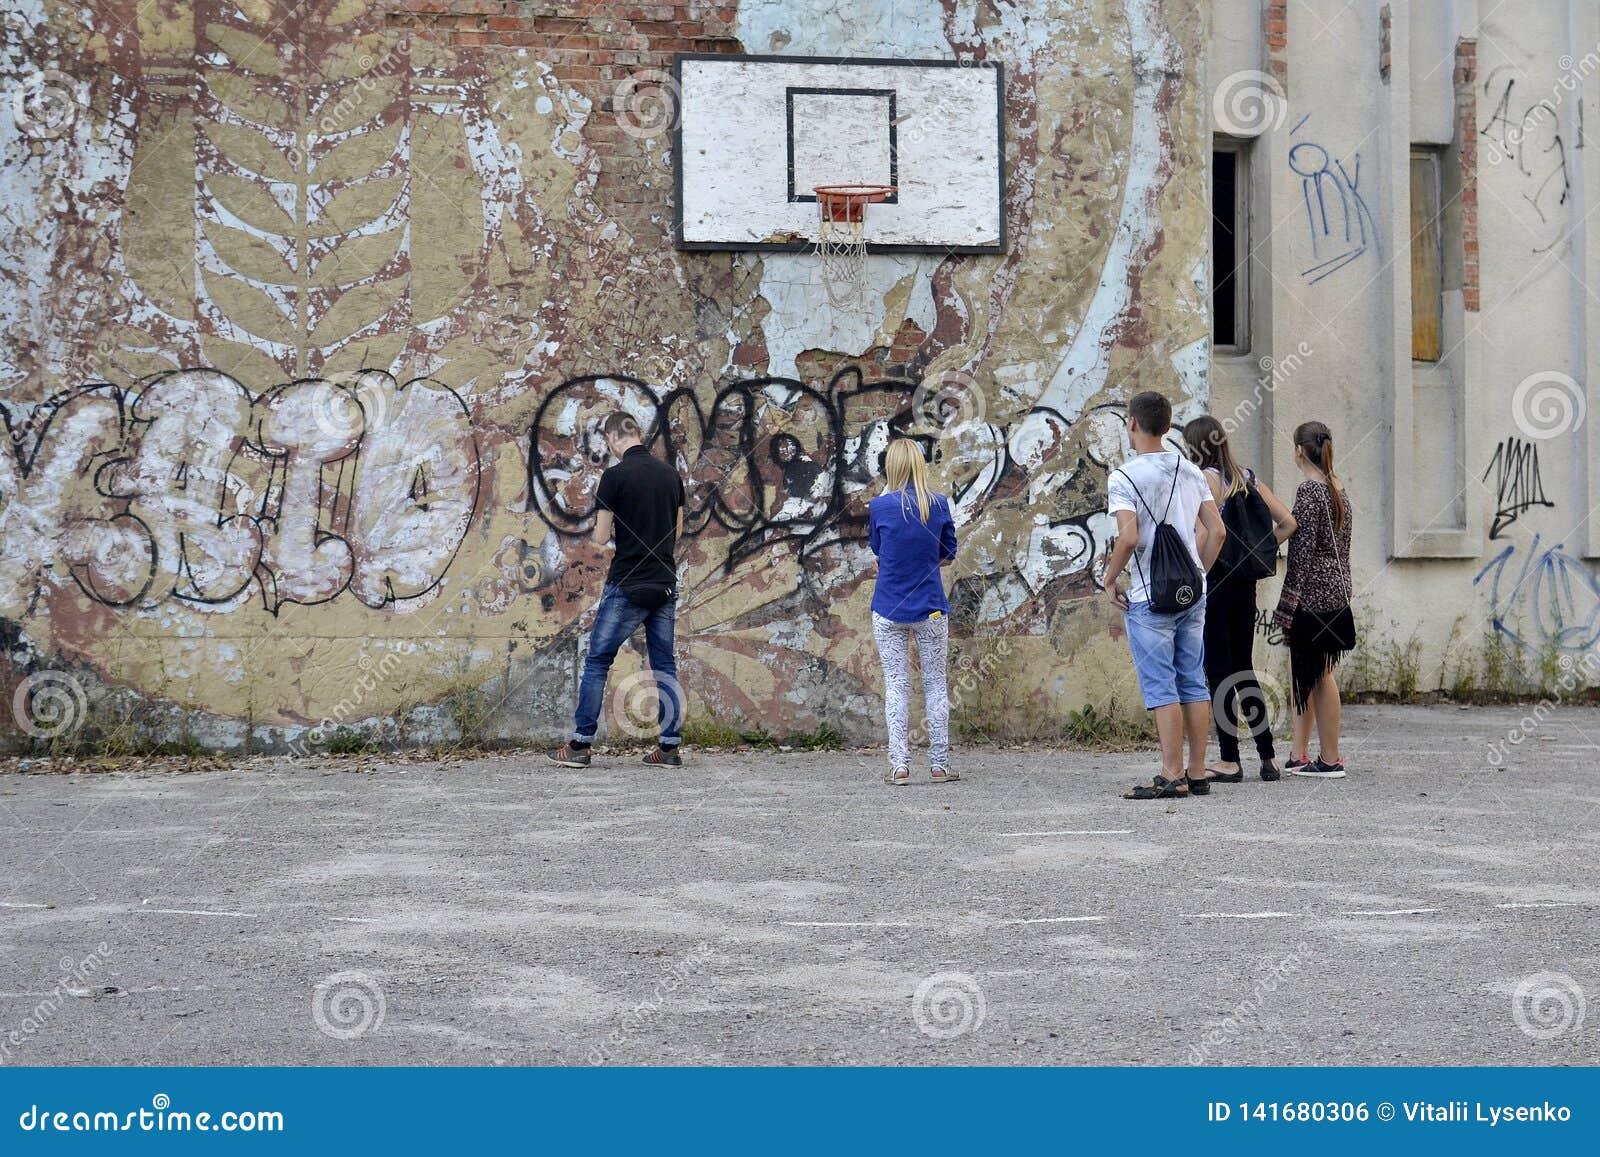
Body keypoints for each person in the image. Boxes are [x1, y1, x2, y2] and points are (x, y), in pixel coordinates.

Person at [1102, 391, 1227, 799]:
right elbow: (1218, 531)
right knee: (1193, 679)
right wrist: (1198, 575)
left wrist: (1109, 579)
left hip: (1148, 594)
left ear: (1132, 424)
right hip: (1194, 593)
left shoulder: (1123, 477)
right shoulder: (1193, 471)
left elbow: (1129, 537)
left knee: (1161, 685)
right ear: (1168, 425)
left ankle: (1171, 774)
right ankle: (1196, 772)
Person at [548, 412, 687, 768]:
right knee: (664, 664)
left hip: (627, 583)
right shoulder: (671, 476)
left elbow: (600, 536)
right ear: (638, 434)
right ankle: (669, 747)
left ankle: (580, 746)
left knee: (597, 662)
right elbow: (678, 532)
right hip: (664, 583)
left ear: (612, 439)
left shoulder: (614, 477)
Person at [1181, 416, 1297, 783]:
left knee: (1218, 671)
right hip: (1244, 586)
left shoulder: (1205, 480)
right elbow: (1288, 523)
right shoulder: (1248, 477)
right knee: (1242, 667)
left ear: (1196, 446)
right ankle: (1269, 757)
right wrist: (1257, 553)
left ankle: (1229, 760)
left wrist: (1196, 572)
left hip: (1214, 584)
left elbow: (1205, 534)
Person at [869, 438, 958, 785]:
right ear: (921, 466)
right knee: (935, 684)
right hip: (931, 608)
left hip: (888, 607)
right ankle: (939, 765)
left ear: (891, 466)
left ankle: (900, 766)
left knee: (896, 685)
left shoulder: (879, 506)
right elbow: (948, 553)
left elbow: (880, 551)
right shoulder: (938, 504)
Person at [1275, 420, 1356, 778]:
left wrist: (1288, 603)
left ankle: (1331, 757)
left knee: (1320, 674)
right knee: (1304, 672)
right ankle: (1299, 754)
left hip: (1314, 596)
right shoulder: (1337, 486)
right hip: (1337, 592)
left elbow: (1302, 553)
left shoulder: (1310, 491)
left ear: (1298, 451)